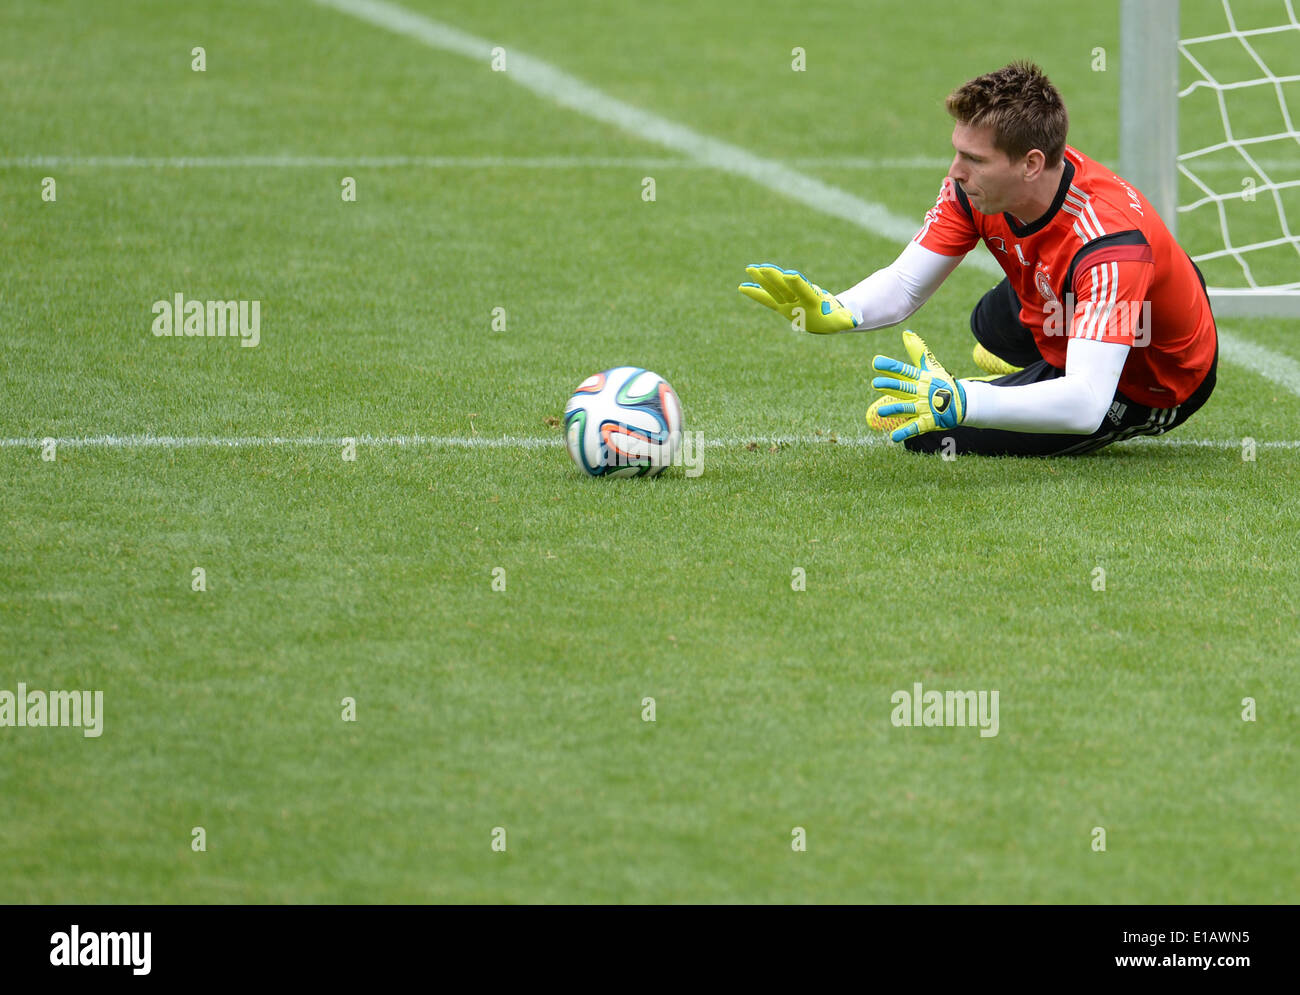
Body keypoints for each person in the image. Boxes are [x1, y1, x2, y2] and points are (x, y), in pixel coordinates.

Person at [738, 61, 1218, 456]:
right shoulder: (978, 191)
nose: (955, 171)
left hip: (1153, 375)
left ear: (1031, 164)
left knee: (930, 435)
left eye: (975, 159)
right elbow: (905, 284)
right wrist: (841, 309)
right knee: (990, 324)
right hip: (1085, 295)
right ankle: (1042, 363)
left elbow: (1087, 403)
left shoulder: (1110, 247)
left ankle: (1044, 374)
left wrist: (966, 400)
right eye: (957, 152)